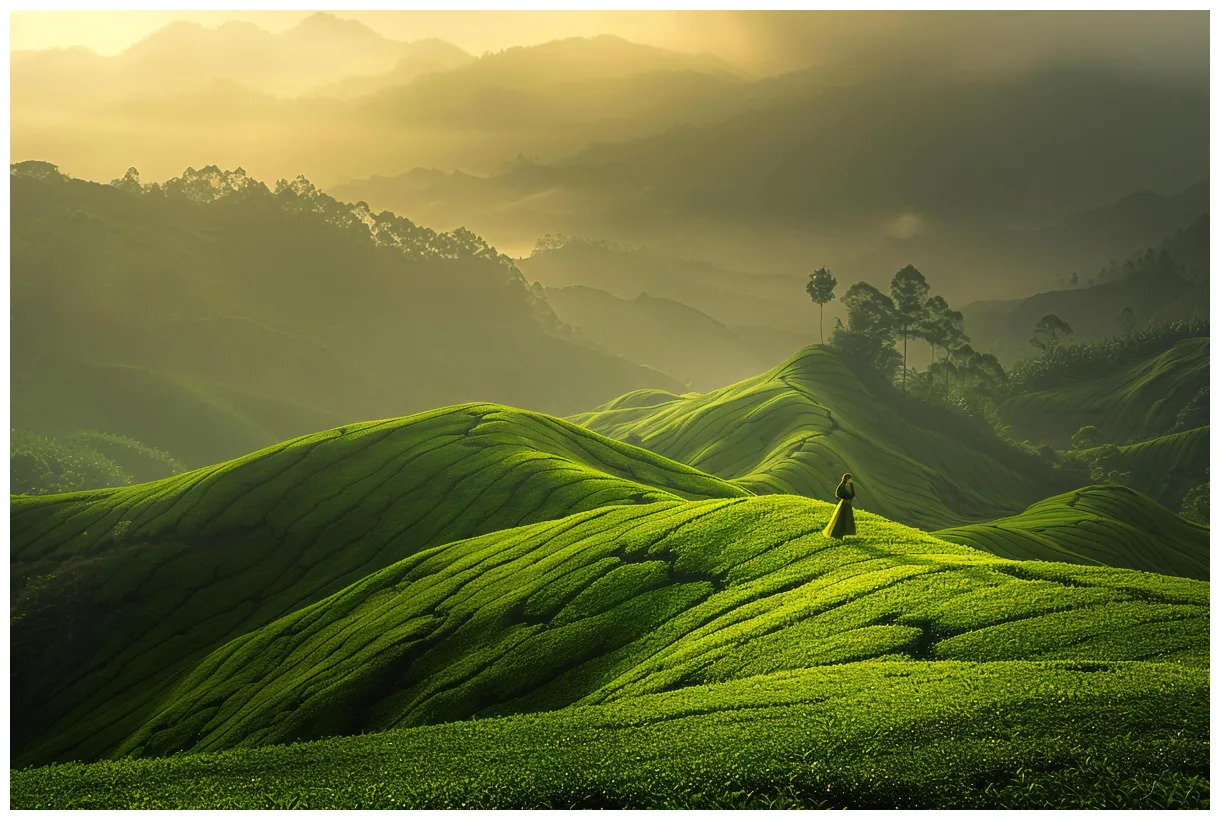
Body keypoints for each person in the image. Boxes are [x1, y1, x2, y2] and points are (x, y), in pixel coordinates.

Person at [823, 473, 856, 539]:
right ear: (847, 479)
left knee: (848, 518)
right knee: (841, 519)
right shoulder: (842, 486)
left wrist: (851, 498)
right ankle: (837, 534)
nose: (851, 480)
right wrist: (845, 498)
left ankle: (849, 533)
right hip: (844, 504)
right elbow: (838, 494)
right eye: (850, 479)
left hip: (848, 505)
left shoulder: (850, 486)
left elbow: (852, 494)